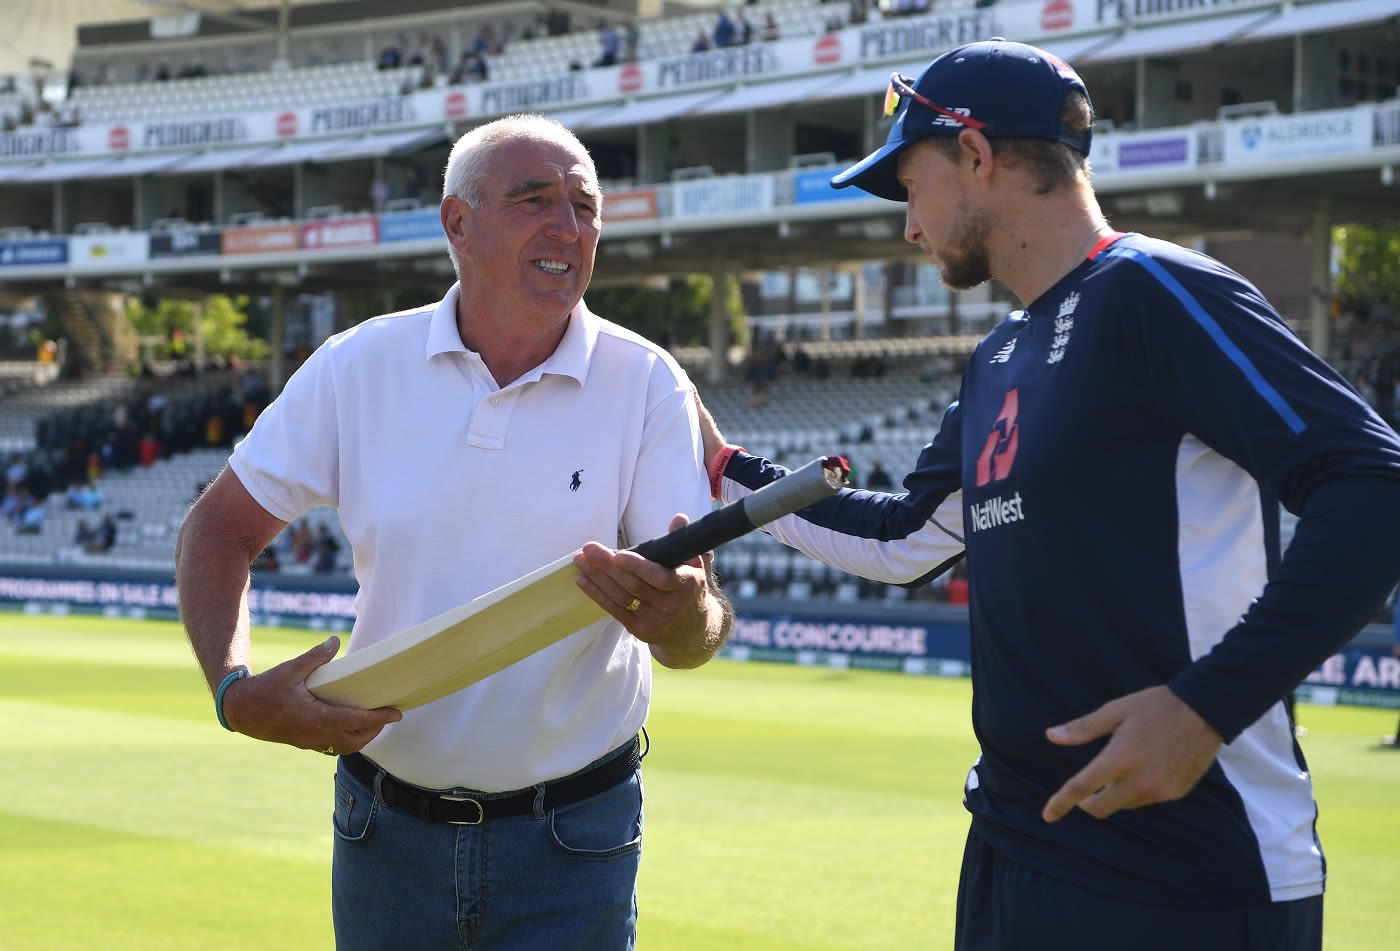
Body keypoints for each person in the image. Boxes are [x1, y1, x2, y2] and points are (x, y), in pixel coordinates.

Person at [695, 39, 1400, 950]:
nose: (909, 225)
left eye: (911, 184)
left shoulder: (1157, 290)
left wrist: (1205, 707)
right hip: (1011, 847)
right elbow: (905, 539)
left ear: (977, 156)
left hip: (1187, 874)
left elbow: (1375, 485)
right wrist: (725, 468)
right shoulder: (997, 356)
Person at [175, 114, 733, 950]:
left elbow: (696, 629)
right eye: (534, 200)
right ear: (457, 223)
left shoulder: (646, 381)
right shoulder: (357, 366)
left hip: (574, 838)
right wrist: (231, 684)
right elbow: (217, 530)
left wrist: (683, 618)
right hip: (384, 833)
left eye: (585, 207)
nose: (567, 226)